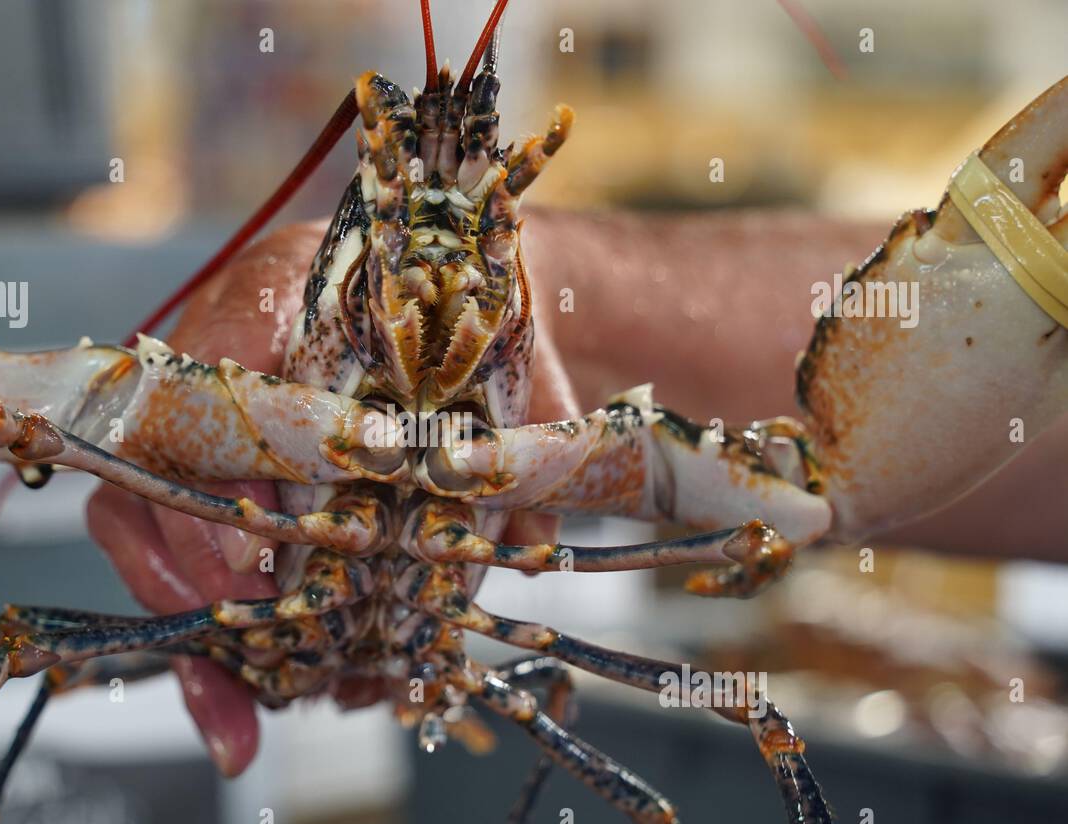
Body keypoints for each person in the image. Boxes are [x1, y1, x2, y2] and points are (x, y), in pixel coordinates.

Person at [87, 207, 1068, 777]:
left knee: (735, 733)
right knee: (21, 649)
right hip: (282, 619)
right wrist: (555, 292)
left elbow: (821, 484)